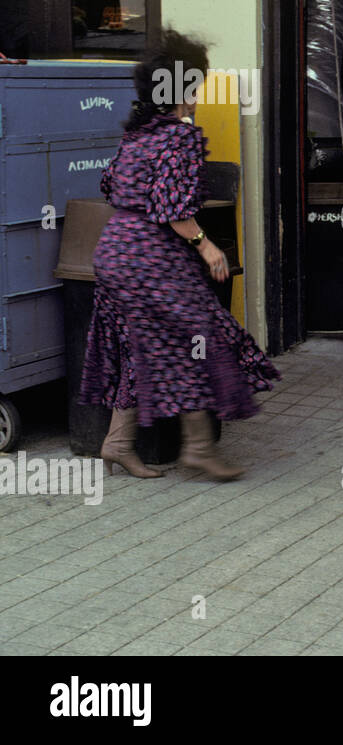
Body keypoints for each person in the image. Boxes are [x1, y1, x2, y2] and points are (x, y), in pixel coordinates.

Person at [79, 29, 280, 480]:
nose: (196, 97)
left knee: (141, 346)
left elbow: (109, 186)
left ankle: (117, 443)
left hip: (113, 252)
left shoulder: (137, 135)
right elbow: (172, 209)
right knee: (201, 340)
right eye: (194, 87)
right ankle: (199, 450)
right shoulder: (181, 138)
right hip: (152, 258)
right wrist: (207, 246)